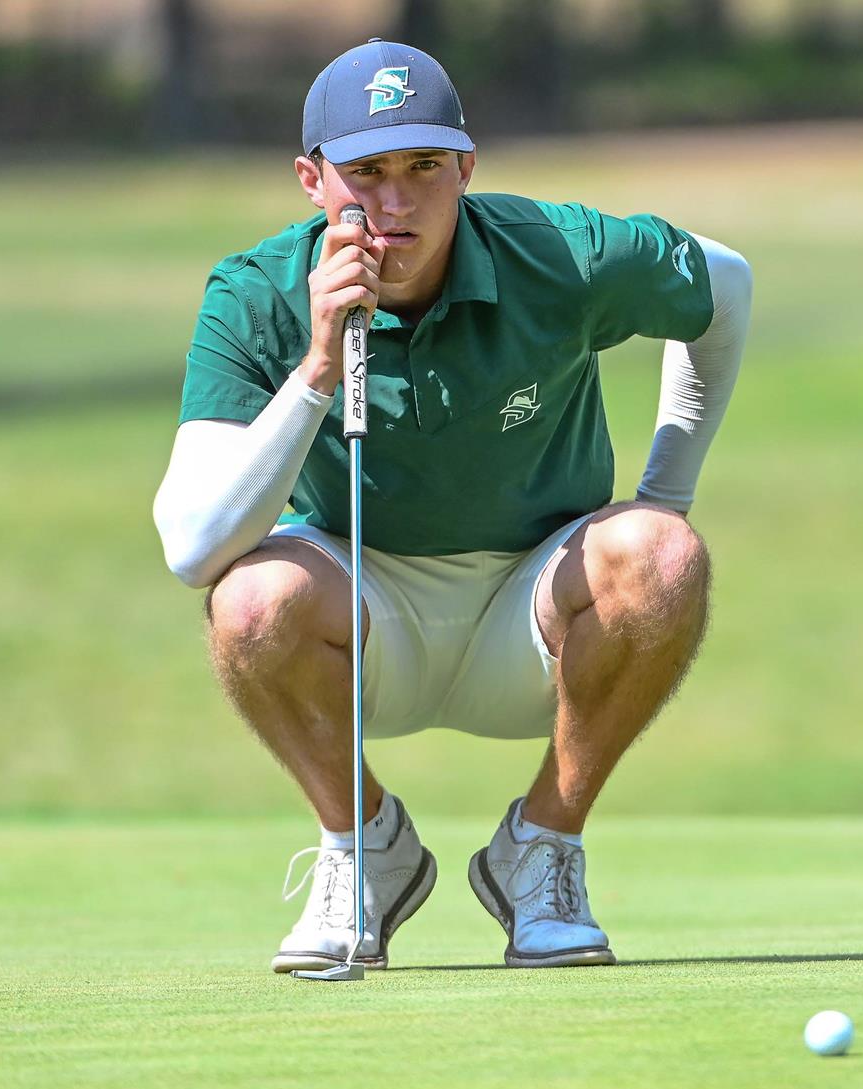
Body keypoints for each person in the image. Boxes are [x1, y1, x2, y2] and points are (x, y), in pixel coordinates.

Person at [152, 39, 750, 971]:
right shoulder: (256, 293)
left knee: (665, 554)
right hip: (358, 618)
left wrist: (665, 493)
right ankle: (366, 849)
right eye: (366, 173)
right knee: (247, 600)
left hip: (538, 607)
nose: (394, 203)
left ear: (465, 166)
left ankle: (542, 850)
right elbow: (192, 547)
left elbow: (728, 287)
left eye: (424, 167)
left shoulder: (560, 252)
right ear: (312, 180)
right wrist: (314, 369)